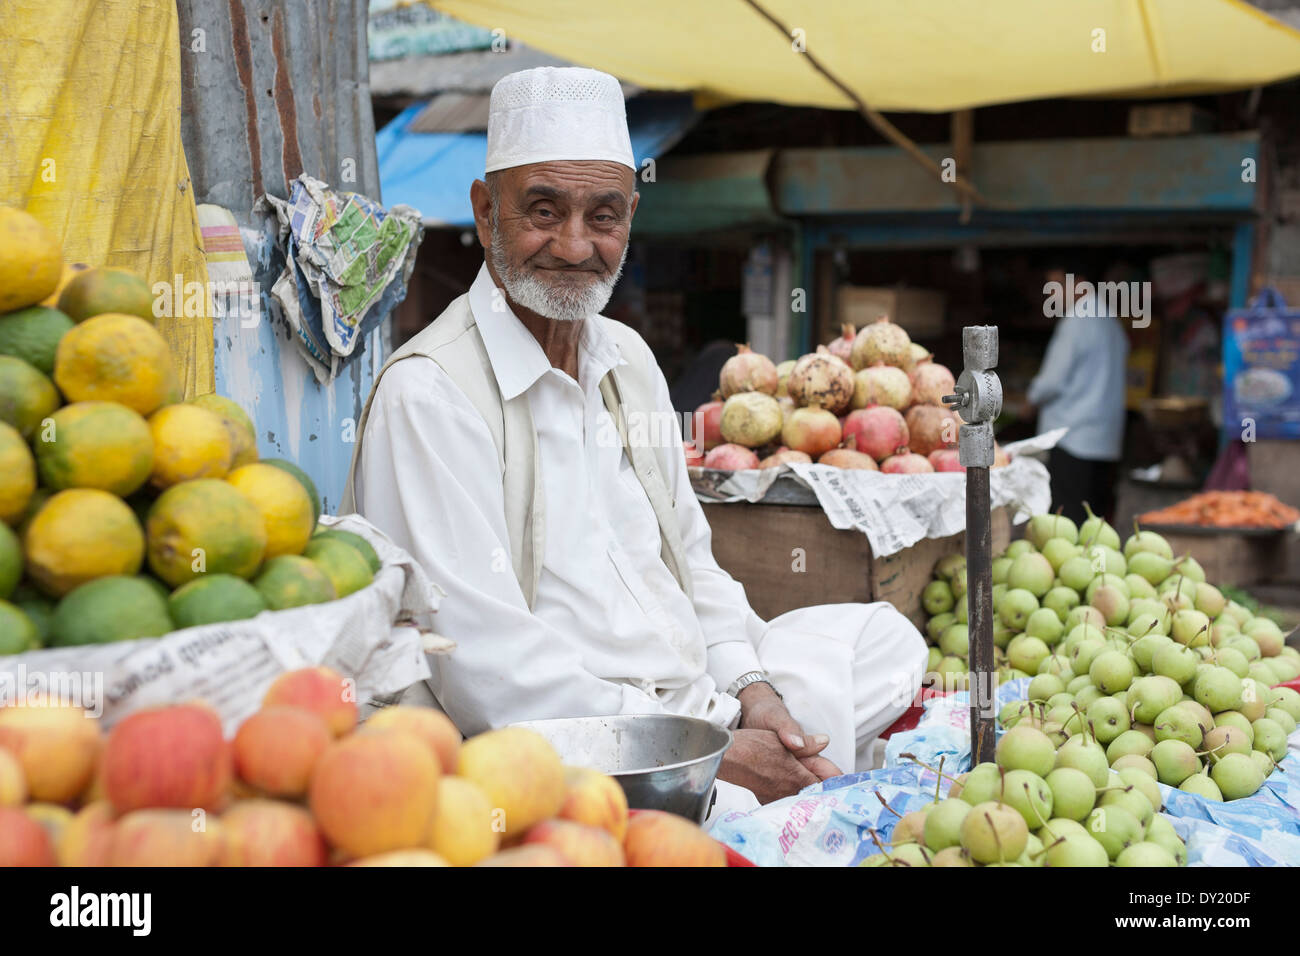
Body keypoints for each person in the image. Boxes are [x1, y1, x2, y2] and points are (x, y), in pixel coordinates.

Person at [343, 67, 926, 814]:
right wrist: (712, 749)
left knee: (884, 644)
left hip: (693, 699)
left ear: (632, 217)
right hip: (564, 742)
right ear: (485, 211)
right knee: (747, 800)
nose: (576, 245)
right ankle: (751, 794)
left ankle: (775, 778)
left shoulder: (627, 362)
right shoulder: (429, 394)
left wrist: (753, 692)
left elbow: (692, 559)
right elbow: (489, 672)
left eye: (604, 215)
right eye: (543, 211)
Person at [1027, 267, 1130, 525]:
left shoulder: (1076, 321)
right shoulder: (1111, 322)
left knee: (1065, 523)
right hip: (1104, 441)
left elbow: (1051, 382)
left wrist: (1030, 401)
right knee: (1093, 523)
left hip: (1071, 438)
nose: (1052, 296)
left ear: (1080, 284)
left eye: (1056, 287)